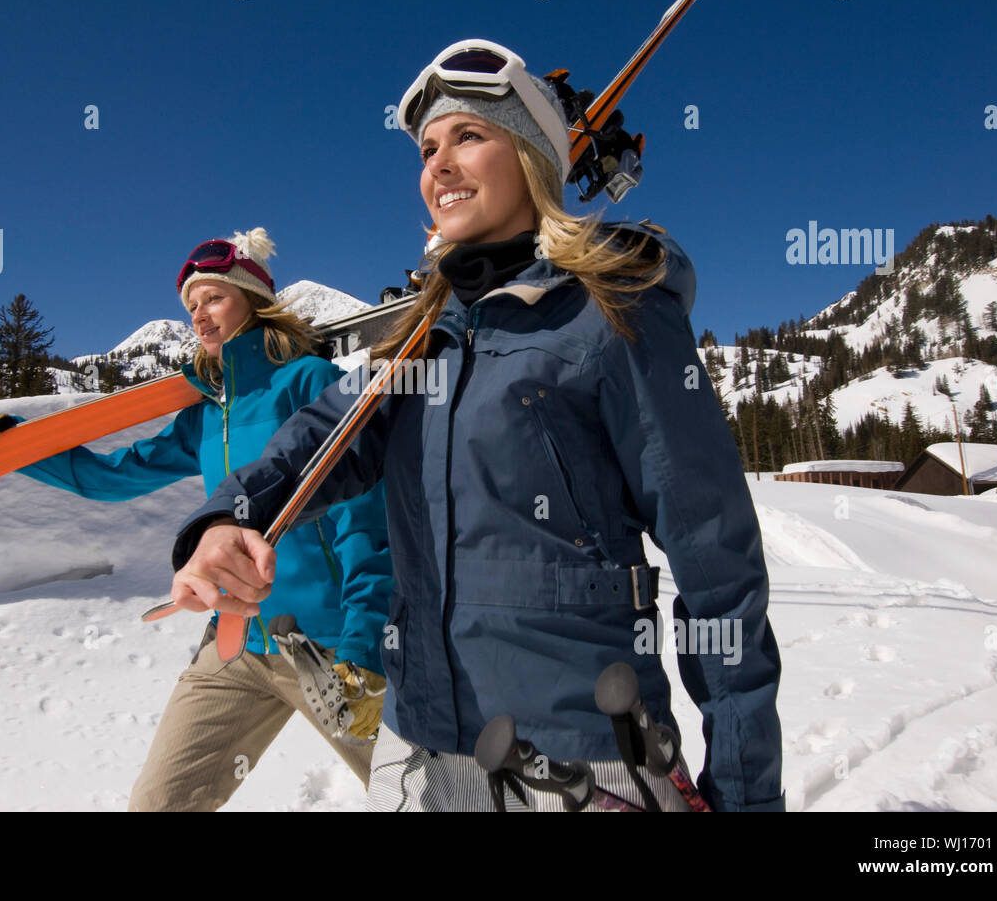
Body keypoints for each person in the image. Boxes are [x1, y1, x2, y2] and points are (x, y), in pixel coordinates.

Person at [167, 42, 784, 812]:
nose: (440, 165)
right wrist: (232, 513)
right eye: (428, 149)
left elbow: (718, 570)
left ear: (530, 155)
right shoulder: (424, 342)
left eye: (469, 136)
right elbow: (320, 437)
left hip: (583, 758)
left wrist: (747, 795)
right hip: (421, 751)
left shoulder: (613, 314)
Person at [0, 228, 395, 811]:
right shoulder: (207, 414)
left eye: (215, 299)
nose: (200, 317)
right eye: (191, 307)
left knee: (424, 800)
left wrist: (365, 643)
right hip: (240, 643)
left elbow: (363, 517)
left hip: (332, 648)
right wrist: (14, 449)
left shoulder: (307, 382)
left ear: (252, 300)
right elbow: (113, 477)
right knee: (159, 805)